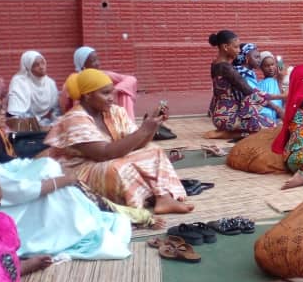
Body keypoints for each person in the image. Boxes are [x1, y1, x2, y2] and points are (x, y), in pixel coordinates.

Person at [0, 92, 138, 258]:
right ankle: (81, 229)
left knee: (50, 170)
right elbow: (12, 190)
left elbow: (8, 170)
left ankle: (86, 222)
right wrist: (62, 179)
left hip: (2, 201)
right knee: (57, 193)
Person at [46, 69, 193, 215]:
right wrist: (143, 130)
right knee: (118, 167)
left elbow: (138, 145)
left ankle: (163, 198)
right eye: (105, 93)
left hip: (110, 159)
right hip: (80, 171)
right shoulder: (75, 119)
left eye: (111, 93)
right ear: (88, 95)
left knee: (154, 150)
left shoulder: (115, 112)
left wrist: (152, 126)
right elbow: (103, 154)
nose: (111, 98)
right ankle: (148, 197)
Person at [208, 30, 275, 134]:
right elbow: (249, 91)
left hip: (220, 115)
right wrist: (283, 97)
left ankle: (235, 132)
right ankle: (231, 134)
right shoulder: (226, 68)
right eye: (236, 47)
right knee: (269, 126)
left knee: (264, 121)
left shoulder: (215, 64)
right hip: (228, 118)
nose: (239, 51)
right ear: (225, 47)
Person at [62, 47, 139, 123]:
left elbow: (131, 79)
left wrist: (116, 90)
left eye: (98, 59)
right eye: (93, 61)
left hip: (105, 117)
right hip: (81, 120)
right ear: (83, 65)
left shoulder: (103, 75)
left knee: (125, 93)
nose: (98, 63)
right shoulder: (72, 82)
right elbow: (65, 106)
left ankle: (127, 122)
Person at [7, 50, 58, 126]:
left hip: (48, 125)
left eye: (43, 63)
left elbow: (55, 110)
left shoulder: (50, 83)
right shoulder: (19, 82)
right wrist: (38, 125)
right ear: (28, 68)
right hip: (26, 126)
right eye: (36, 65)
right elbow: (15, 116)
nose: (41, 67)